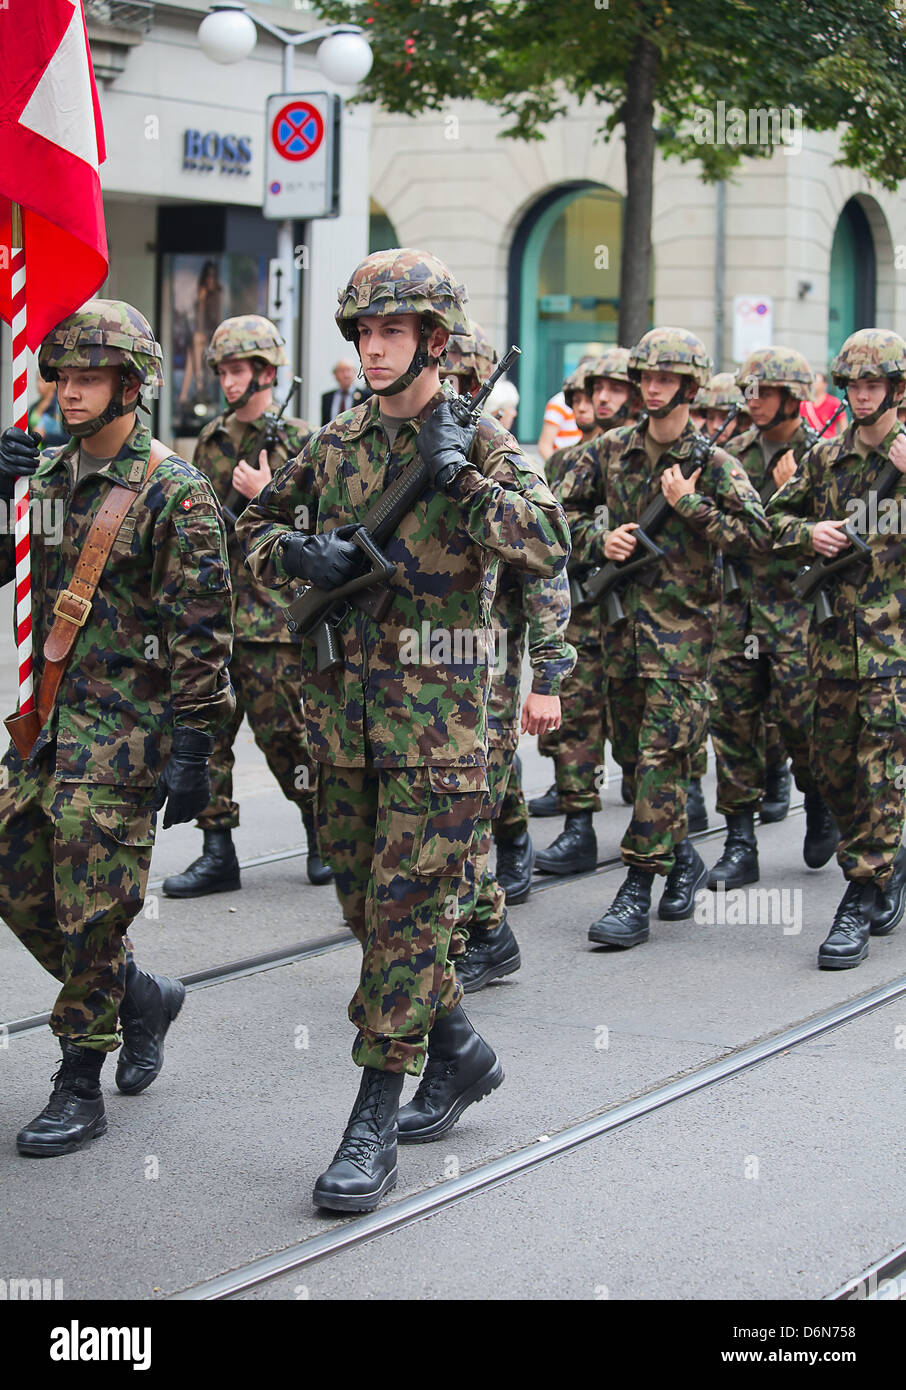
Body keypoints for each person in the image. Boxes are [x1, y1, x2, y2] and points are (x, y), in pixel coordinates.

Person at [237, 248, 570, 1212]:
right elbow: (251, 533)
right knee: (363, 911)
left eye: (394, 333)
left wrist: (458, 477)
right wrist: (300, 549)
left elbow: (550, 549)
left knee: (409, 919)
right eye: (365, 334)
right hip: (342, 721)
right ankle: (459, 1049)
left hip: (444, 736)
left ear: (434, 340)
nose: (375, 351)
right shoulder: (334, 448)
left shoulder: (487, 446)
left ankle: (371, 1119)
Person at [0, 299, 234, 1156]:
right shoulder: (52, 477)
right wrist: (1, 493)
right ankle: (138, 997)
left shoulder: (176, 492)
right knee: (12, 874)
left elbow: (204, 630)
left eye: (88, 376)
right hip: (49, 724)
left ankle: (77, 1077)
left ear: (130, 386)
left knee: (92, 907)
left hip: (127, 734)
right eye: (60, 374)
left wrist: (196, 746)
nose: (67, 390)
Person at [558, 327, 772, 949]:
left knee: (659, 760)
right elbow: (553, 518)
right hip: (619, 633)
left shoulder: (713, 464)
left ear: (689, 387)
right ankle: (681, 858)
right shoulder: (607, 451)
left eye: (664, 379)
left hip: (685, 642)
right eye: (644, 377)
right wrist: (601, 539)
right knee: (634, 761)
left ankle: (636, 888)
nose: (651, 388)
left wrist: (693, 506)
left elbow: (760, 538)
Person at [162, 315, 331, 896]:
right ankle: (217, 850)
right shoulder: (210, 441)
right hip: (214, 616)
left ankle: (319, 830)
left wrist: (267, 499)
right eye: (224, 371)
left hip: (274, 618)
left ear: (266, 373)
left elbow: (329, 532)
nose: (229, 382)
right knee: (206, 736)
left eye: (239, 370)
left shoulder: (306, 442)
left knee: (287, 735)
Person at [769, 328, 906, 968]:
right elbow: (769, 520)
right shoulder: (826, 458)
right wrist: (809, 531)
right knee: (833, 768)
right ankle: (887, 857)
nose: (859, 395)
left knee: (882, 771)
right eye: (852, 384)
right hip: (830, 648)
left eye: (872, 384)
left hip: (895, 650)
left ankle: (861, 888)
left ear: (898, 390)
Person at [706, 348, 838, 892]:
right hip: (737, 611)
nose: (753, 402)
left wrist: (792, 507)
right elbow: (717, 529)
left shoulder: (823, 457)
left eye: (765, 392)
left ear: (793, 397)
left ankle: (820, 800)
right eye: (749, 392)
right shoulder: (728, 453)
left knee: (800, 723)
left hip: (797, 614)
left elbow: (841, 535)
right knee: (732, 726)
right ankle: (741, 840)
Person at [532, 361, 612, 873]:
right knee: (577, 713)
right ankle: (578, 821)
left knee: (649, 733)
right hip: (585, 601)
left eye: (606, 392)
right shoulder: (567, 460)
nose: (592, 403)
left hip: (654, 619)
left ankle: (677, 831)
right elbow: (553, 533)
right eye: (586, 395)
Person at [320, 358, 371, 425]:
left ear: (355, 373)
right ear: (335, 374)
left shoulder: (365, 395)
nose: (346, 375)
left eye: (349, 370)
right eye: (342, 371)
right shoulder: (327, 397)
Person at [800, 370, 843, 435]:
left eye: (816, 382)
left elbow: (843, 427)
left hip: (828, 443)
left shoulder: (834, 403)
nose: (813, 384)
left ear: (824, 384)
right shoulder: (804, 404)